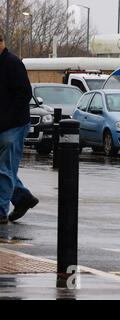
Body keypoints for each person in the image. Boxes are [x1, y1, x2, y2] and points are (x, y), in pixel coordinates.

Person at [0, 32, 39, 224]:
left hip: (13, 125)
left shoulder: (13, 63)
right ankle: (22, 198)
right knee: (3, 169)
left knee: (4, 169)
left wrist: (7, 119)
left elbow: (24, 94)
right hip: (5, 125)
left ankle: (0, 211)